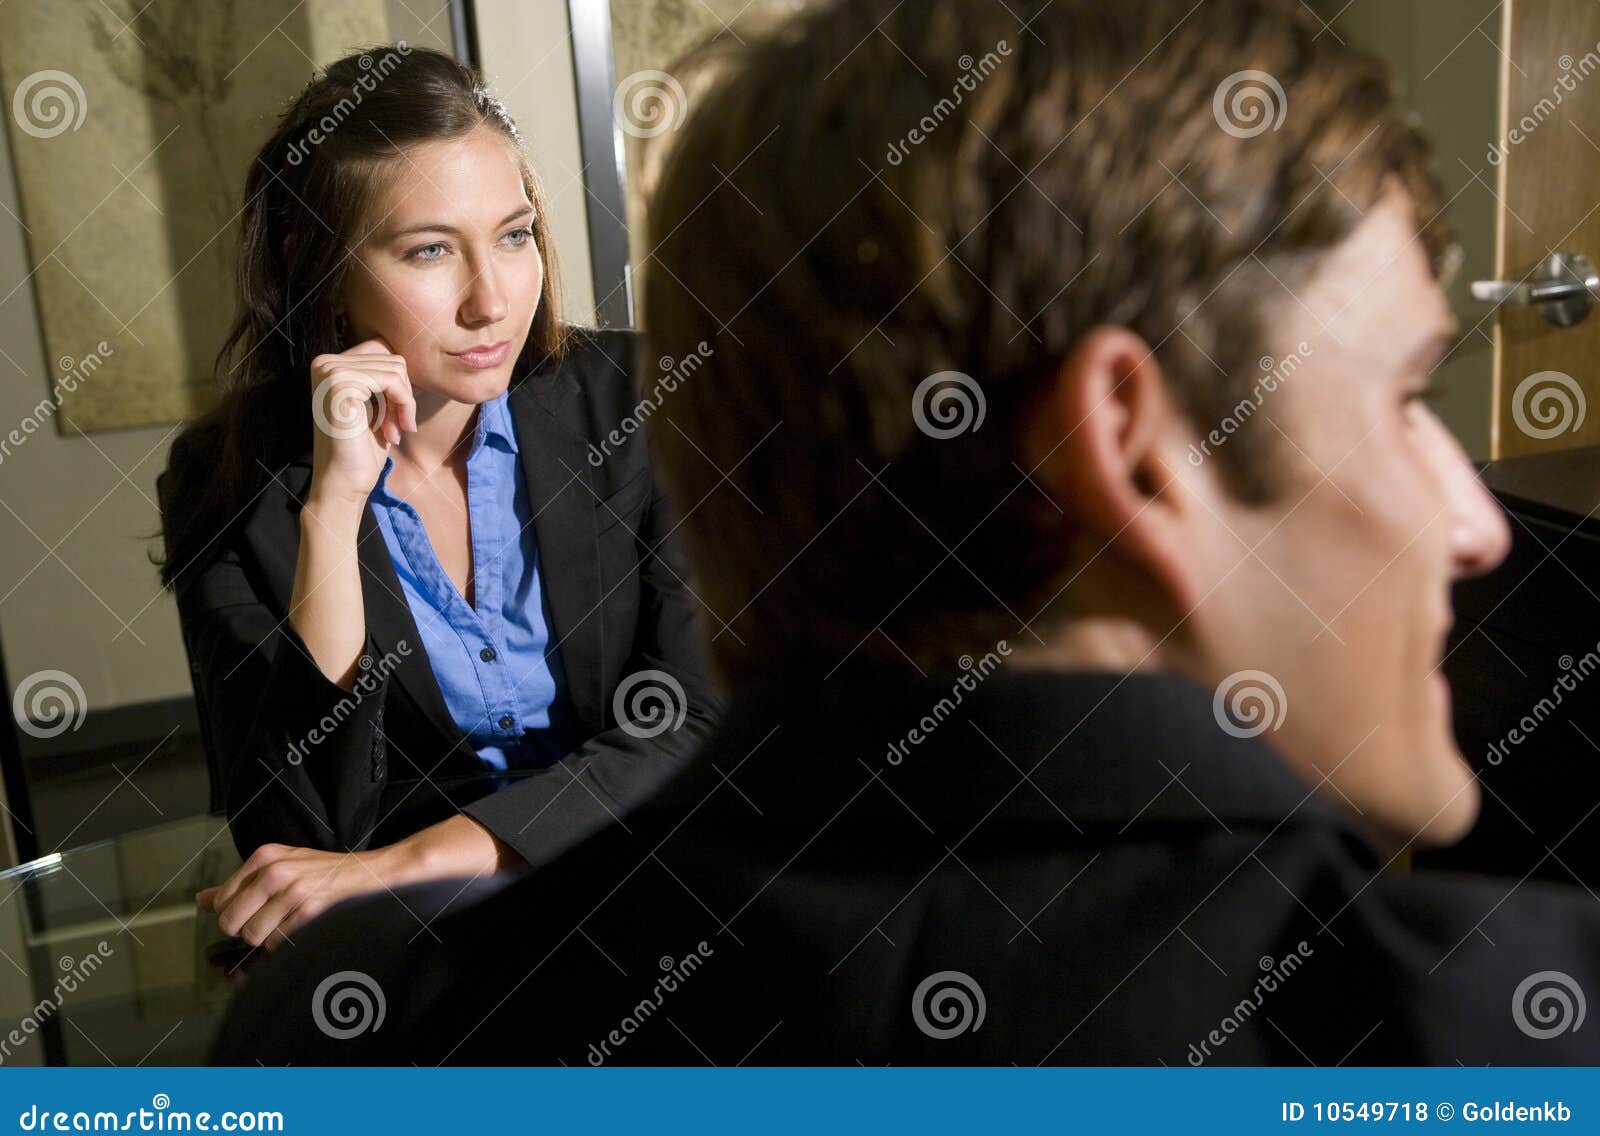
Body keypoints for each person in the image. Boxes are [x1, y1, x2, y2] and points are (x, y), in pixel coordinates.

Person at [211, 0, 1600, 1063]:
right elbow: (290, 809)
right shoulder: (1507, 1036)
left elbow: (674, 723)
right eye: (1410, 395)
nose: (1476, 520)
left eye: (513, 235)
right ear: (1129, 446)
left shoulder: (351, 1037)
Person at [155, 46, 718, 952]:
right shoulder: (230, 479)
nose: (493, 300)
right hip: (426, 949)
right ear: (319, 266)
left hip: (659, 884)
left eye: (514, 234)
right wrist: (333, 512)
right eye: (429, 251)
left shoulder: (641, 399)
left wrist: (405, 861)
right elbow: (296, 823)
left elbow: (695, 721)